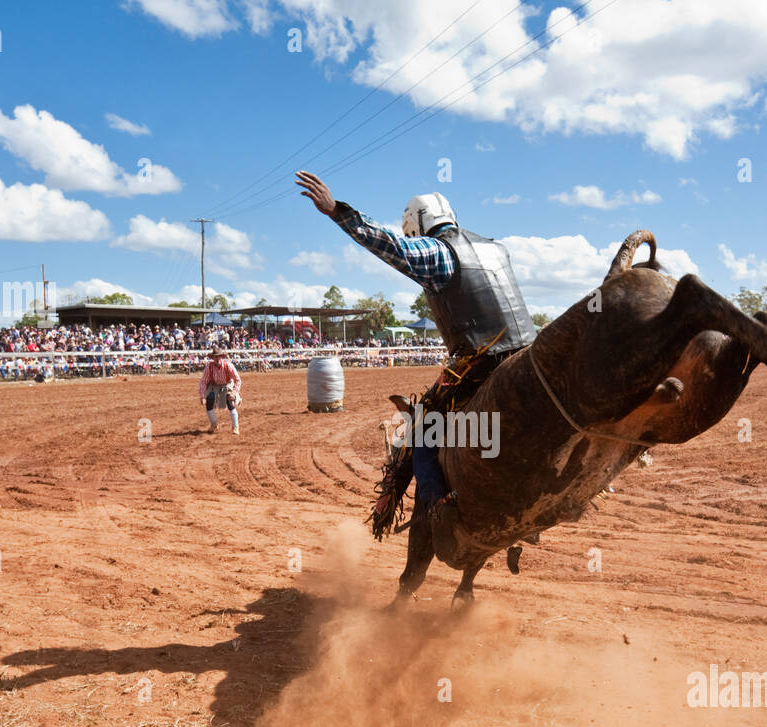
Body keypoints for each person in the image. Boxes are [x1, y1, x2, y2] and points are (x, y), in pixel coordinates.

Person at [295, 170, 537, 538]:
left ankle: (438, 505)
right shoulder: (496, 248)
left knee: (424, 428)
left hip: (483, 362)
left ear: (418, 225)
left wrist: (339, 213)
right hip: (529, 355)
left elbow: (393, 246)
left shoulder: (439, 251)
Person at [199, 347, 241, 434]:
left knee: (229, 401)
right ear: (212, 358)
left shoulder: (228, 365)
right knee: (209, 400)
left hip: (227, 384)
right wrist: (203, 396)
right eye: (215, 357)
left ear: (222, 357)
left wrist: (233, 393)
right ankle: (214, 425)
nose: (217, 358)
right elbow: (204, 381)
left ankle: (235, 427)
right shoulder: (209, 367)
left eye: (219, 356)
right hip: (214, 385)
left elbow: (237, 380)